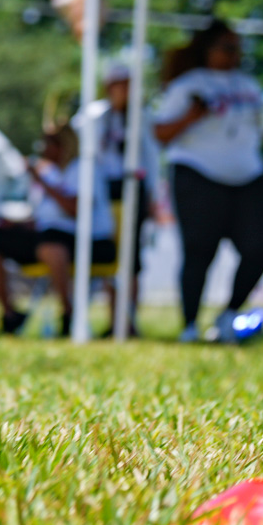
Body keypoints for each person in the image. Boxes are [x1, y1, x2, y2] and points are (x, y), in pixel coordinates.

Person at [153, 20, 263, 344]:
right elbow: (159, 133)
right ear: (208, 49)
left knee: (260, 245)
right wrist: (192, 116)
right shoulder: (188, 85)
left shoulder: (249, 85)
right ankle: (190, 324)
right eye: (228, 47)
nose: (235, 54)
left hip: (248, 174)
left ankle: (229, 314)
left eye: (238, 47)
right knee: (199, 250)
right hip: (199, 172)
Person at [0, 125, 115, 337]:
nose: (42, 149)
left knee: (50, 245)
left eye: (48, 144)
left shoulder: (83, 169)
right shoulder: (49, 171)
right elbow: (43, 216)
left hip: (89, 241)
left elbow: (75, 209)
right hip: (47, 235)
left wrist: (42, 181)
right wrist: (18, 224)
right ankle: (10, 313)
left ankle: (68, 313)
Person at [78, 61, 161, 336]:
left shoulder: (143, 117)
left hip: (133, 191)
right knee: (106, 254)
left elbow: (152, 158)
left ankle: (127, 320)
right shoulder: (93, 116)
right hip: (101, 192)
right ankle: (109, 317)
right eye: (118, 84)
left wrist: (152, 195)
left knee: (131, 258)